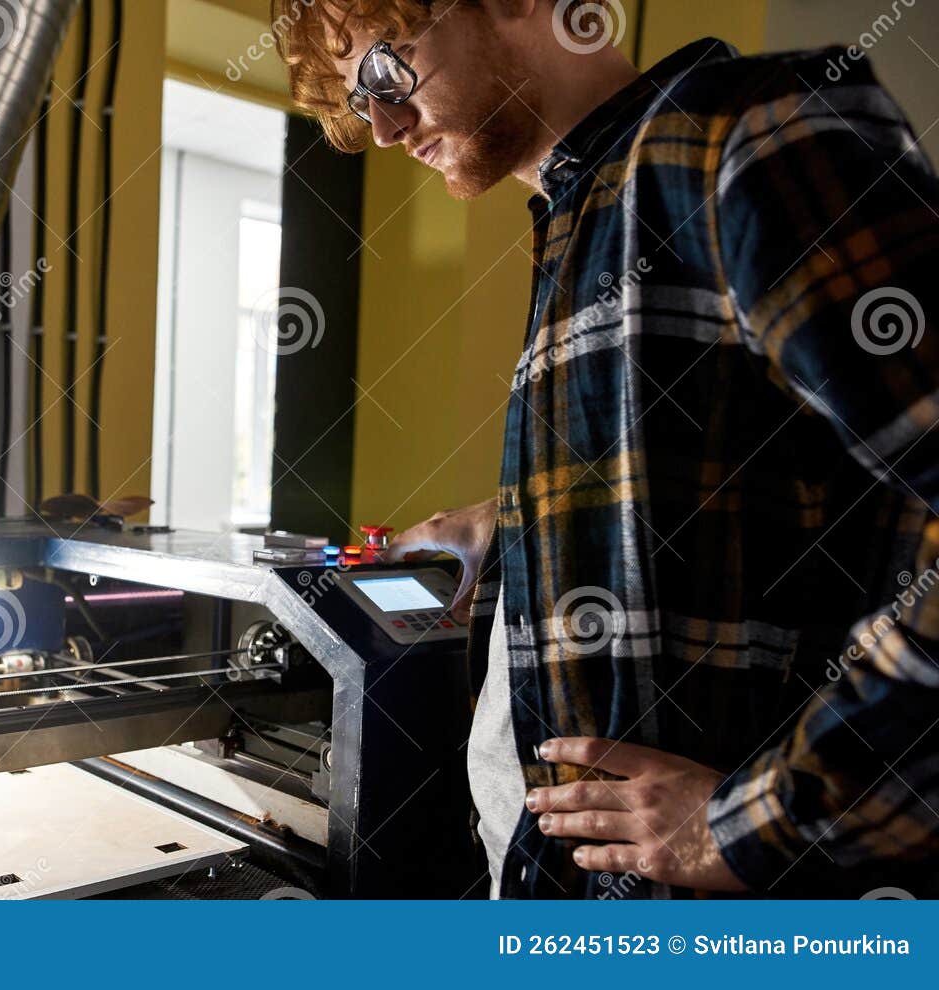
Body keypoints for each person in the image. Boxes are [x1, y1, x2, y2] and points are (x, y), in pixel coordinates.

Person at [275, 0, 939, 898]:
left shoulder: (741, 135)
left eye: (388, 73)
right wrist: (509, 523)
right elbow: (728, 475)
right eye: (362, 100)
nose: (385, 129)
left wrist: (760, 823)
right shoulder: (582, 211)